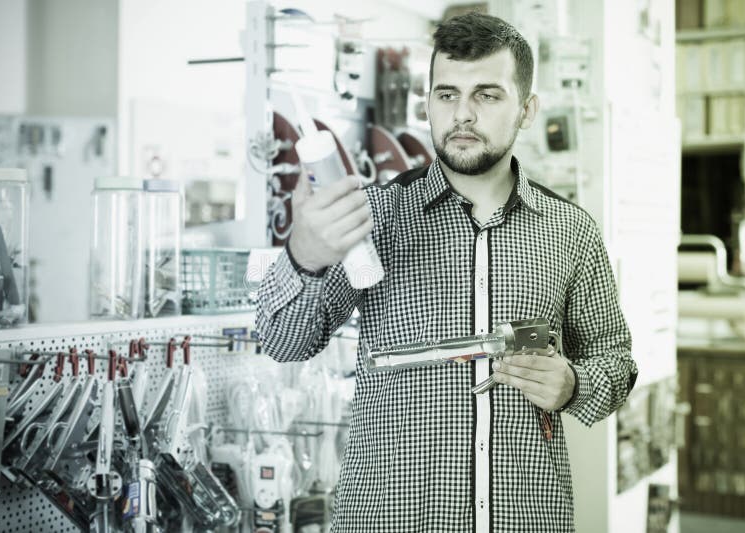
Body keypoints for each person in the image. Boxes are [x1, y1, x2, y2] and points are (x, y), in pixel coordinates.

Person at [256, 12, 638, 533]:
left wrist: (574, 384)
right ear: (428, 102)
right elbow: (282, 343)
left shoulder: (571, 231)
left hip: (527, 519)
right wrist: (302, 254)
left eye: (487, 95)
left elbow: (615, 361)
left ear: (527, 110)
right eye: (446, 94)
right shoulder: (374, 217)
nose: (462, 114)